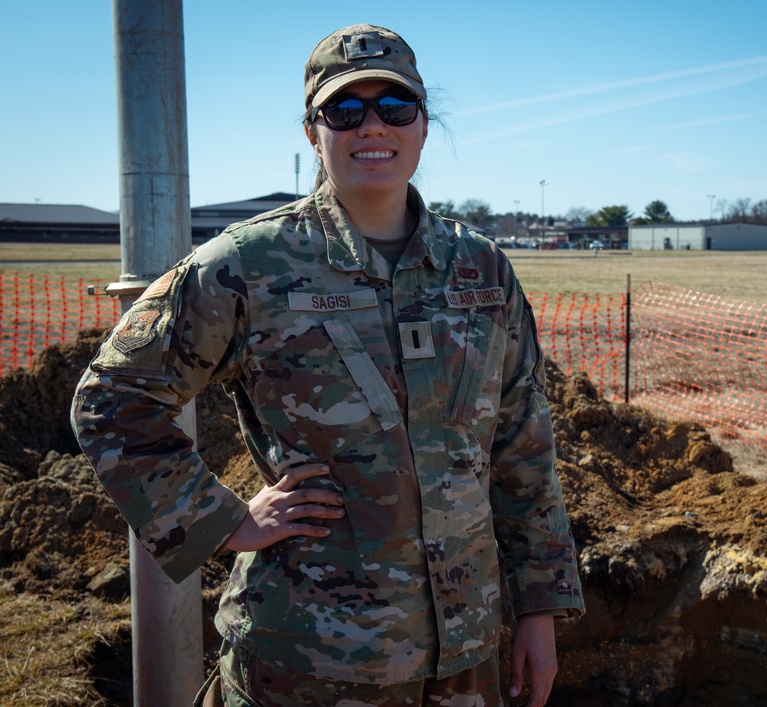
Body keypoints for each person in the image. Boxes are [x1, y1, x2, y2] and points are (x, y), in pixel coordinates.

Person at [72, 23, 584, 706]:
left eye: (394, 107)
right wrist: (222, 519)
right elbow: (112, 396)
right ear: (314, 133)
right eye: (344, 110)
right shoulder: (249, 265)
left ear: (424, 126)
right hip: (306, 663)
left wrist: (539, 612)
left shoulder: (482, 269)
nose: (372, 125)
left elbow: (524, 447)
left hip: (466, 658)